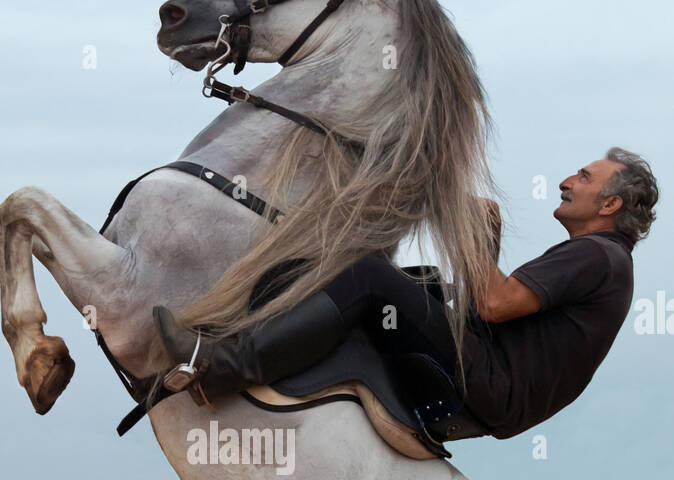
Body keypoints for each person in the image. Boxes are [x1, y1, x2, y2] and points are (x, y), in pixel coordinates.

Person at [154, 146, 658, 440]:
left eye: (584, 178)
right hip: (495, 378)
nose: (568, 181)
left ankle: (221, 368)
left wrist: (479, 234)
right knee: (416, 283)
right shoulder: (606, 260)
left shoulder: (597, 254)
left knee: (370, 277)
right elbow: (498, 303)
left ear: (610, 203)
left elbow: (495, 303)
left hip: (488, 378)